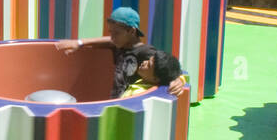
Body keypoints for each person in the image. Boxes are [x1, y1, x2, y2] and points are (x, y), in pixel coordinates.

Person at [55, 6, 183, 98]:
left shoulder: (145, 52)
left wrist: (177, 80)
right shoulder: (119, 44)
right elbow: (108, 41)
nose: (112, 37)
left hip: (130, 105)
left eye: (116, 33)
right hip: (117, 100)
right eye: (111, 32)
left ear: (132, 31)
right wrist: (80, 43)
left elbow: (167, 65)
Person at [121, 45, 188, 97]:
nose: (144, 62)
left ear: (155, 79)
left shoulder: (138, 94)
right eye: (148, 60)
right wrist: (180, 79)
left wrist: (179, 81)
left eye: (148, 65)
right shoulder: (146, 80)